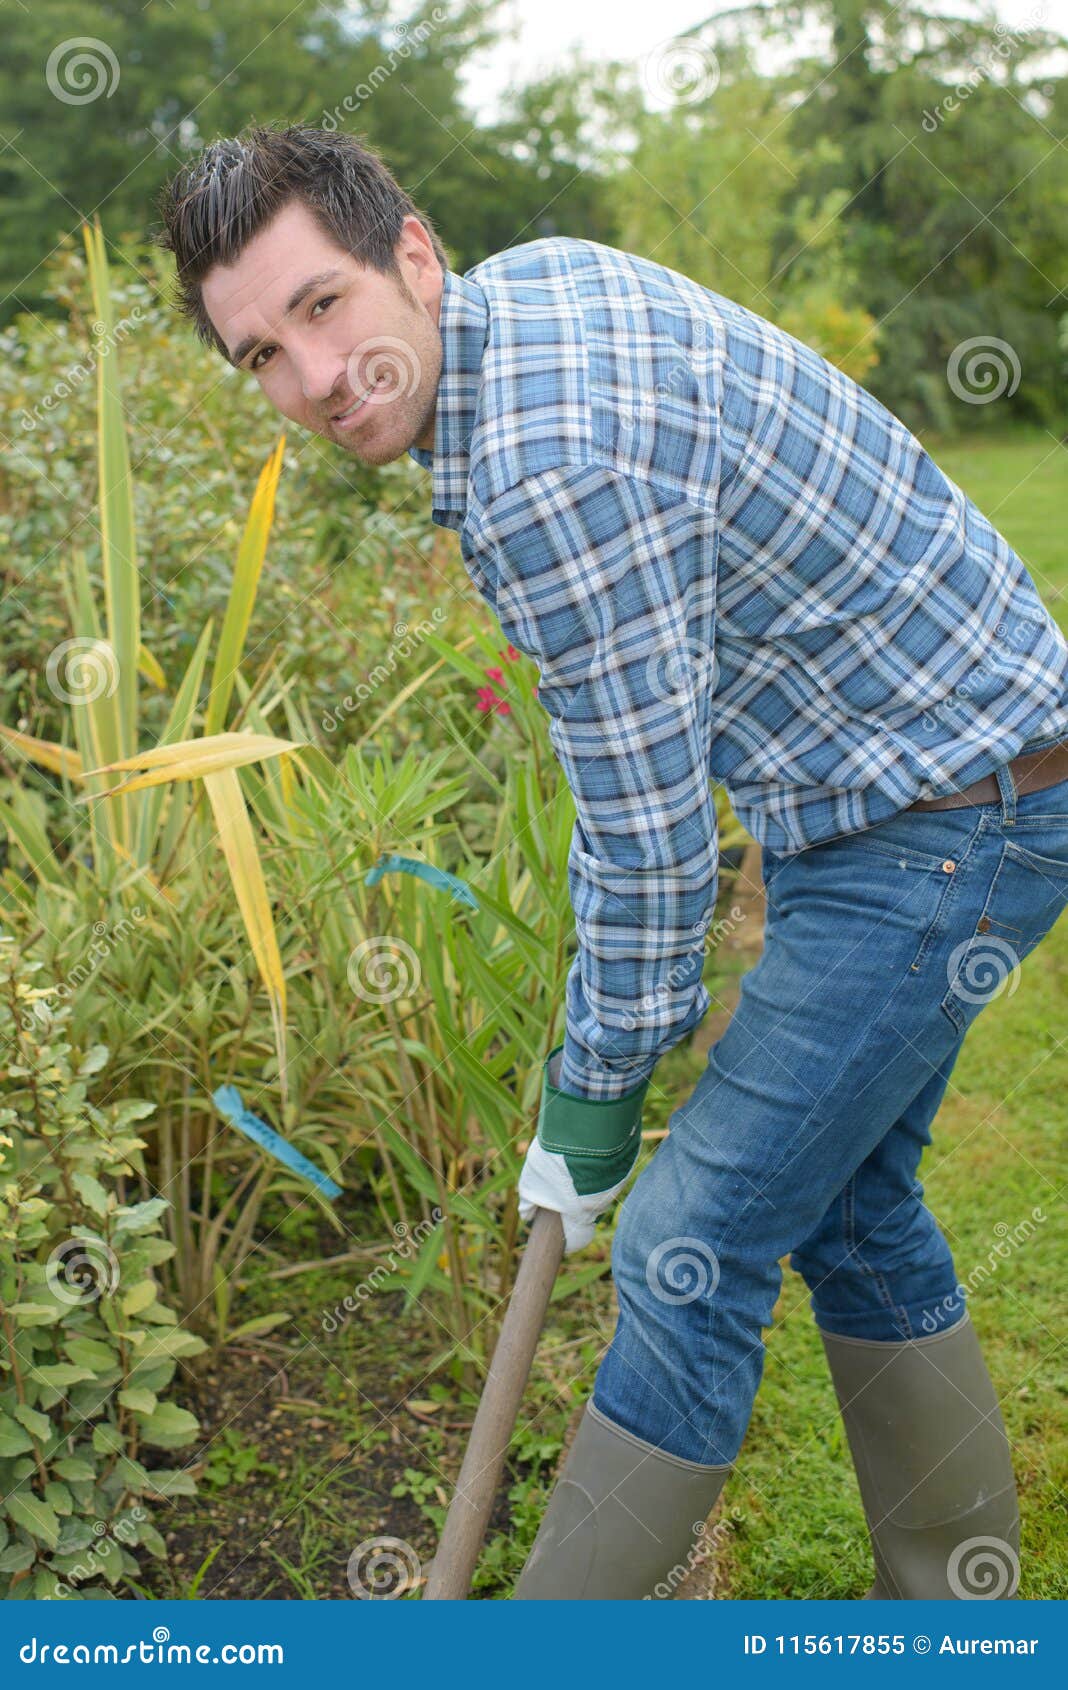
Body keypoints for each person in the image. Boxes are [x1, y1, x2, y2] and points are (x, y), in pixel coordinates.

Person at [156, 122, 1068, 1602]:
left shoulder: (547, 461)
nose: (313, 382)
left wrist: (591, 1104)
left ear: (413, 255)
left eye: (321, 307)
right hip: (928, 769)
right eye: (259, 352)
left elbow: (650, 851)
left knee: (688, 1239)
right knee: (847, 1203)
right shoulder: (531, 301)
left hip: (948, 814)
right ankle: (954, 1615)